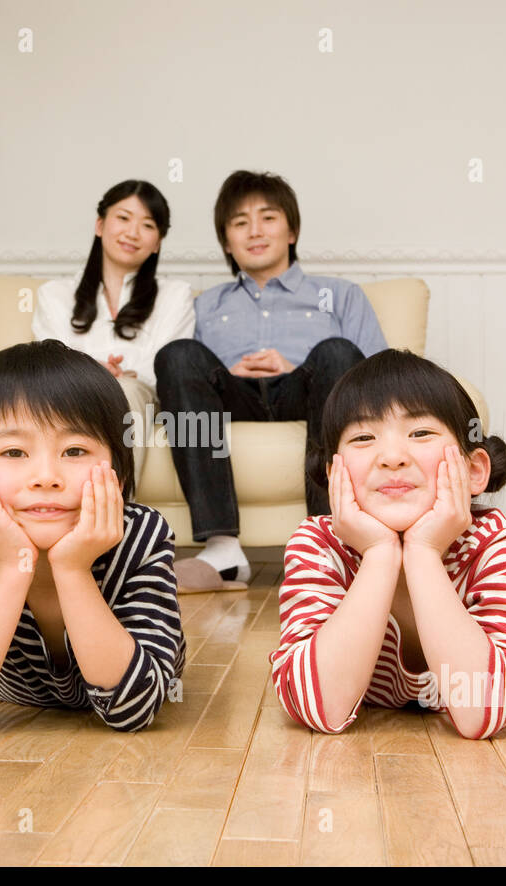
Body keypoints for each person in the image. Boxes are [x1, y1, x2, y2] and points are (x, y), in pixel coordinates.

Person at [272, 348, 506, 739]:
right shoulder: (317, 545)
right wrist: (379, 554)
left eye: (420, 433)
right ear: (335, 475)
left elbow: (480, 713)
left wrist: (423, 551)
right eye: (364, 437)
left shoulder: (502, 547)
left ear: (473, 471)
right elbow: (320, 708)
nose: (391, 457)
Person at [0, 340, 185, 735]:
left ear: (118, 478)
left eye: (74, 450)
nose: (46, 477)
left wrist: (73, 569)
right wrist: (10, 566)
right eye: (14, 453)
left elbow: (134, 709)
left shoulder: (141, 535)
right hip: (17, 693)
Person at [153, 170, 387, 593]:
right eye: (240, 223)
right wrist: (228, 371)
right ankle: (223, 551)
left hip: (311, 390)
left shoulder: (341, 294)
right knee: (176, 353)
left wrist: (295, 365)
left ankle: (329, 540)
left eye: (268, 218)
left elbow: (375, 374)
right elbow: (185, 383)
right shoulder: (205, 306)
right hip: (233, 396)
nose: (255, 231)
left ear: (292, 229)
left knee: (337, 352)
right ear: (226, 241)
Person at [33, 180, 195, 486]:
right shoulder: (54, 294)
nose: (132, 233)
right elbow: (51, 363)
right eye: (123, 218)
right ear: (100, 224)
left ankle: (114, 515)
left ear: (157, 241)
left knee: (127, 391)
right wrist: (93, 374)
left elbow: (168, 365)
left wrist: (116, 377)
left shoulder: (176, 295)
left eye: (147, 225)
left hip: (141, 396)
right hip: (71, 397)